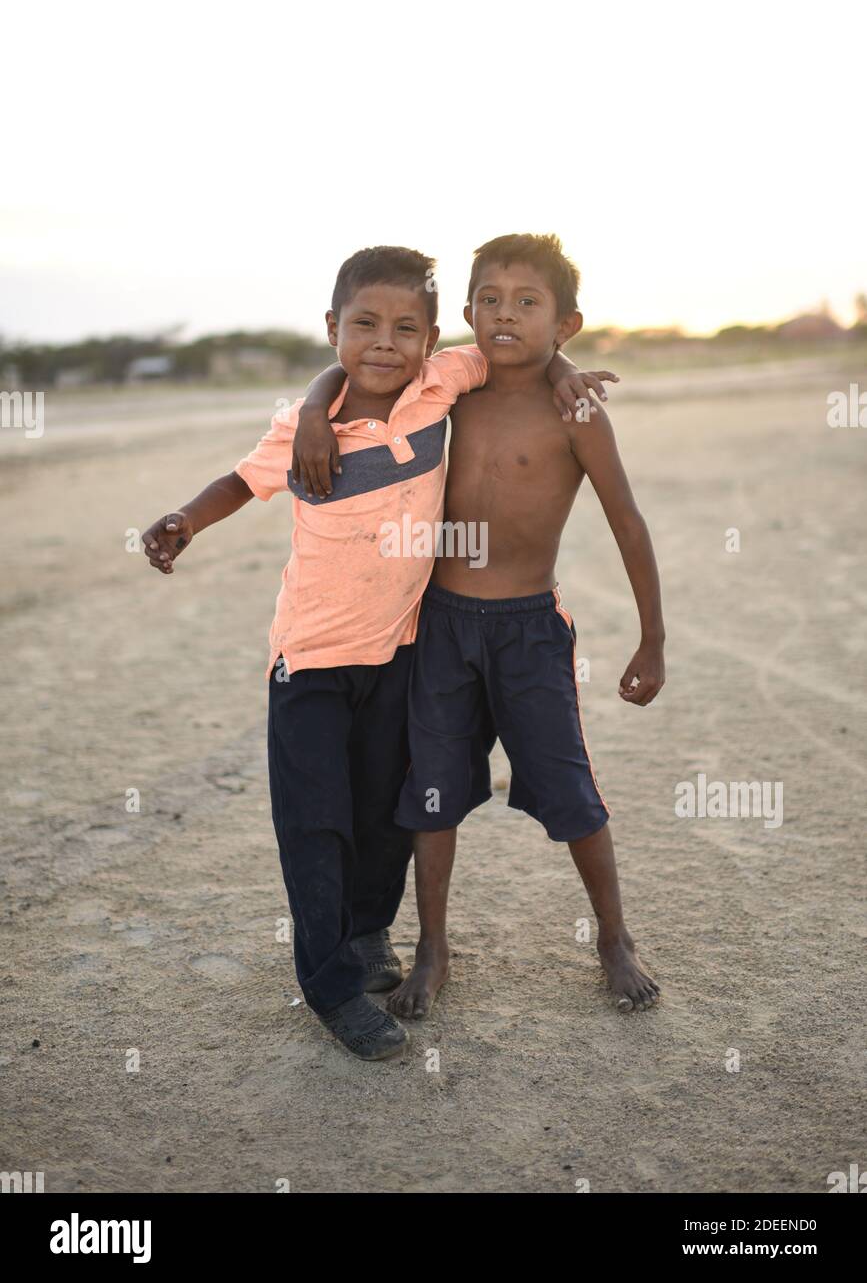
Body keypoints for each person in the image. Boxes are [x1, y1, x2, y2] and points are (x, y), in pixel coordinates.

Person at [142, 244, 613, 1059]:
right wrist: (184, 518)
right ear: (332, 329)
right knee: (315, 825)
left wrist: (566, 369)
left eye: (405, 328)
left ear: (433, 341)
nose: (385, 342)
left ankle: (366, 938)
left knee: (384, 815)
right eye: (364, 325)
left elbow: (518, 347)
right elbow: (237, 482)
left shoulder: (440, 387)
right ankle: (329, 987)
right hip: (311, 661)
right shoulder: (300, 428)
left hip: (400, 651)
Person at [380, 233, 666, 1020]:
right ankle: (433, 947)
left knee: (568, 786)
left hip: (527, 631)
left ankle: (612, 937)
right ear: (465, 312)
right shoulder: (445, 390)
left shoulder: (572, 410)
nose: (504, 315)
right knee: (429, 791)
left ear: (564, 324)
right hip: (439, 625)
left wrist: (653, 638)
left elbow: (627, 523)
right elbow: (355, 371)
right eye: (490, 301)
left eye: (526, 303)